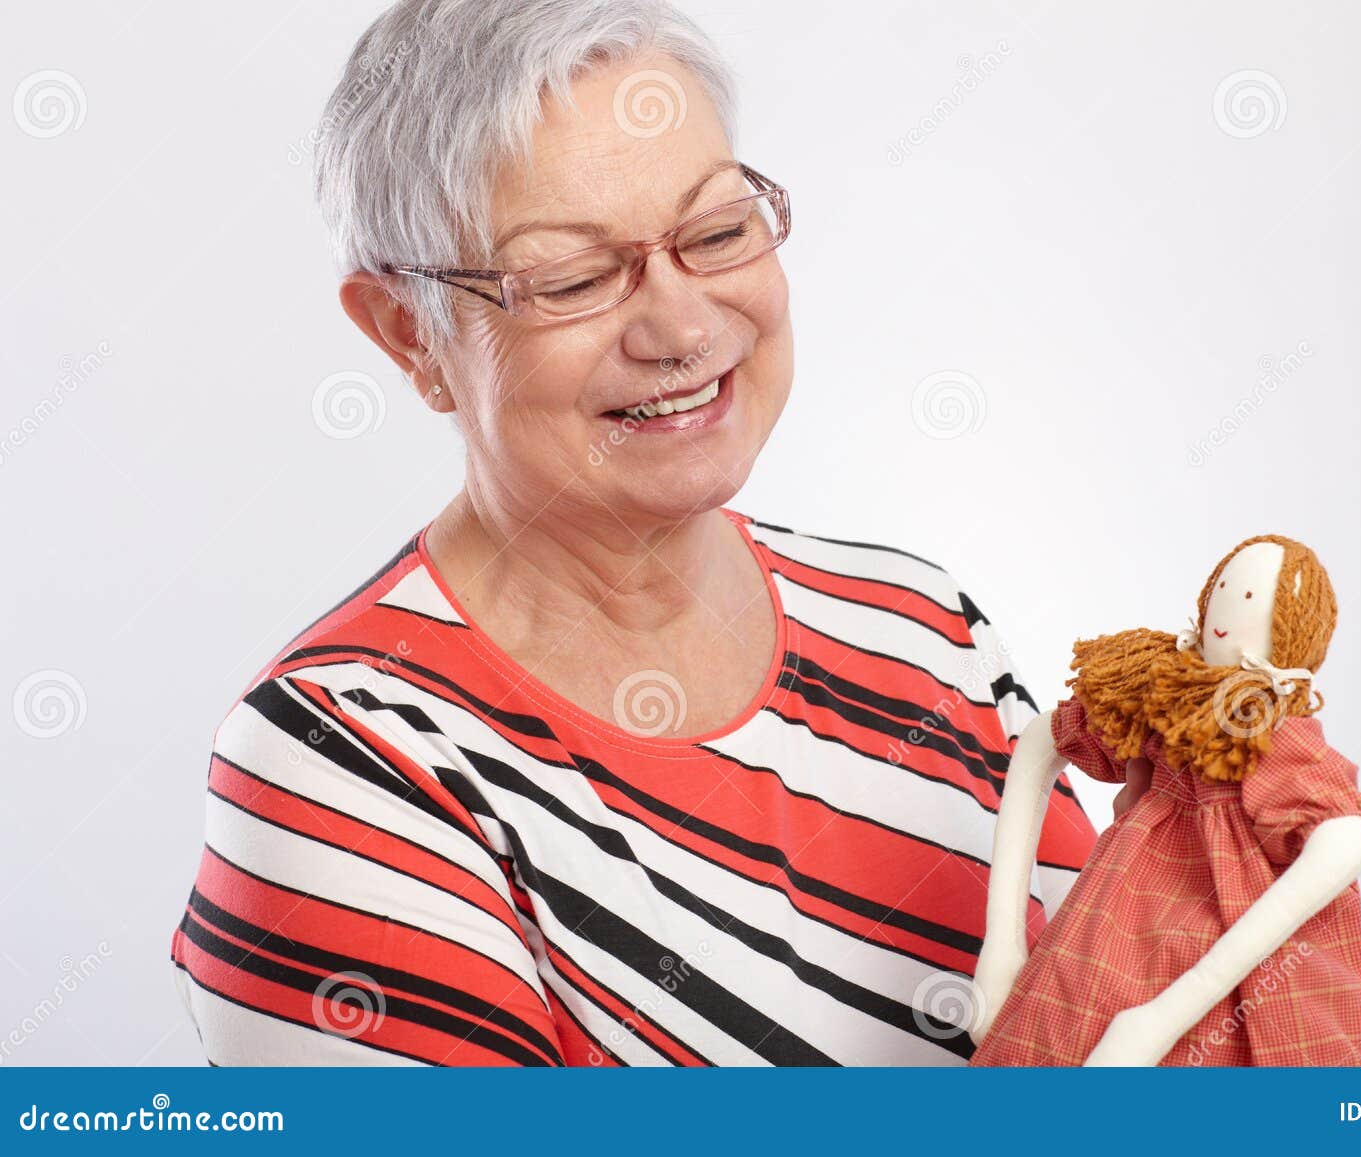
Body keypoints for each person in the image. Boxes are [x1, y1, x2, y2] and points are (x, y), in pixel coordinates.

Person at [169, 0, 1100, 1066]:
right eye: (571, 279)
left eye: (715, 232)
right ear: (407, 333)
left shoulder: (923, 630)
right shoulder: (345, 752)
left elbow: (1119, 1041)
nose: (684, 327)